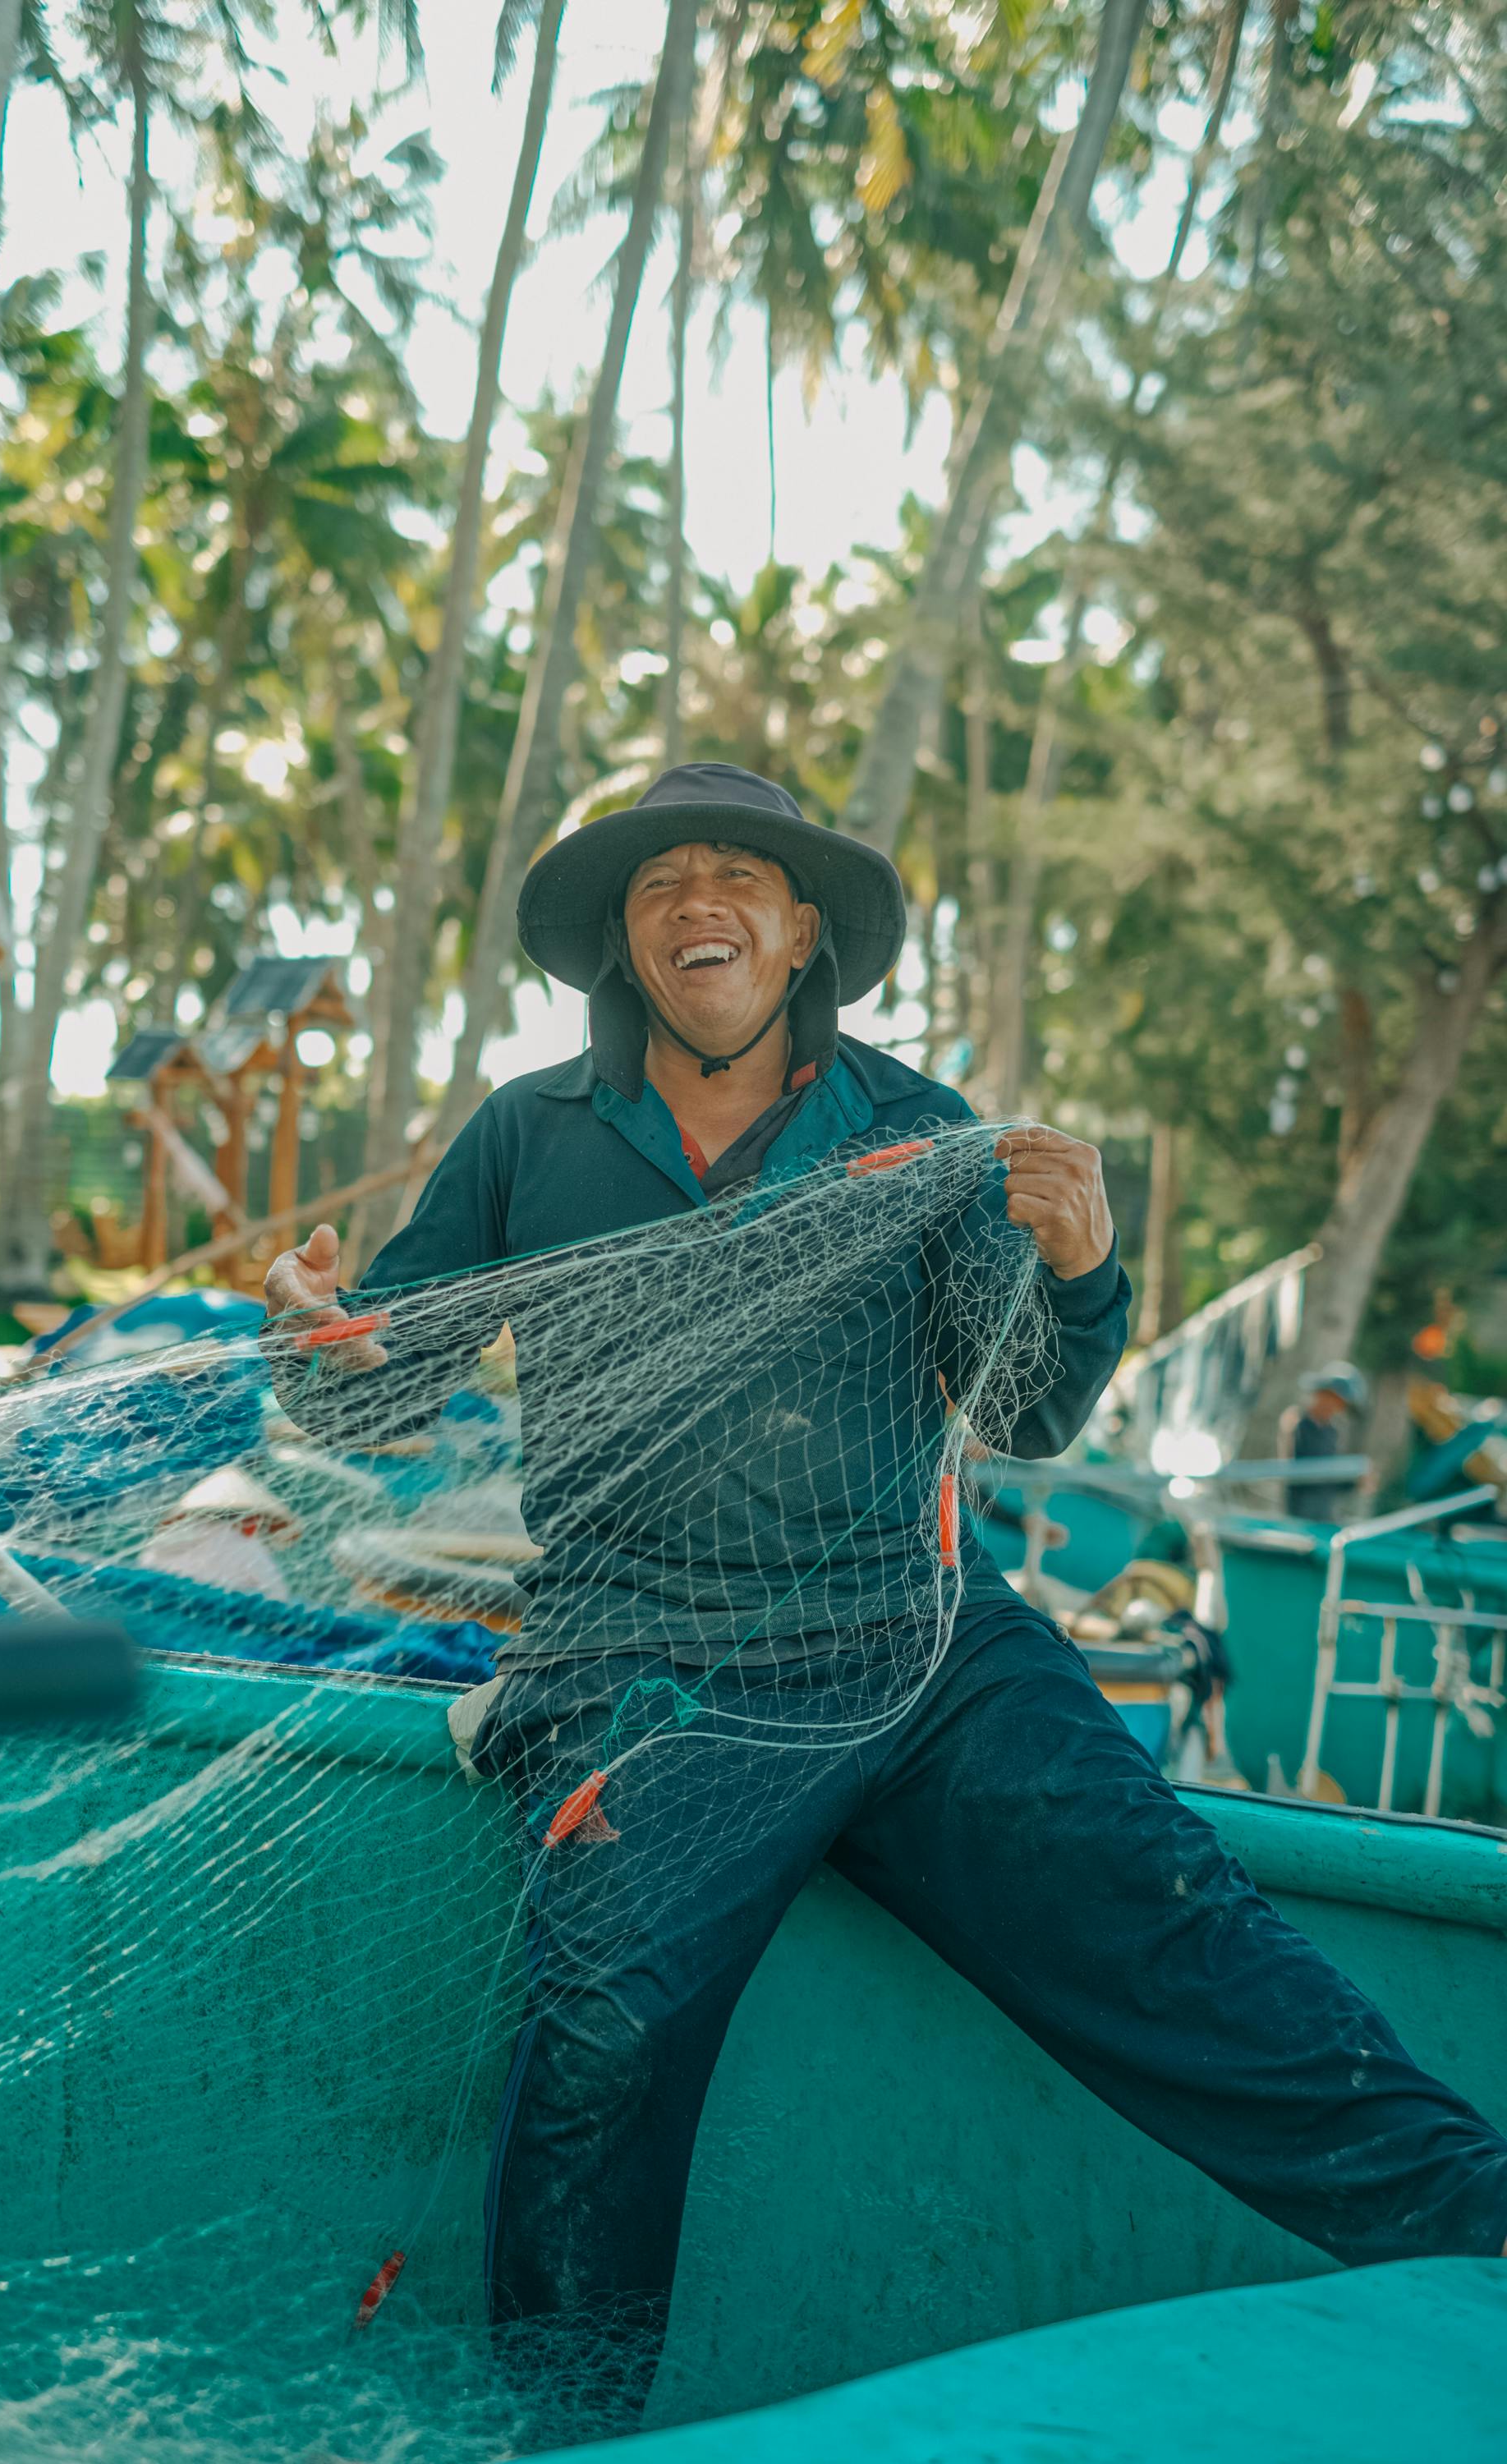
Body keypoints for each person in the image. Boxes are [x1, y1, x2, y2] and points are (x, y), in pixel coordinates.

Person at [264, 763, 1507, 2424]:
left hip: (923, 1653)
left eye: (736, 878)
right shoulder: (525, 1136)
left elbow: (1022, 1417)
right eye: (656, 887)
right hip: (648, 1671)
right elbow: (378, 1387)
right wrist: (315, 1345)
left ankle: (1479, 2238)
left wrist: (1081, 1275)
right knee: (599, 2051)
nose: (695, 904)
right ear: (625, 951)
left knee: (1194, 1951)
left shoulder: (915, 1128)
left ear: (797, 938)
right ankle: (566, 2438)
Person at [1280, 1361, 1368, 1521]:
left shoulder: (1331, 1432)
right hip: (1298, 1512)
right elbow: (1301, 1471)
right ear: (1321, 1394)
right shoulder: (1298, 1422)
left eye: (1340, 1403)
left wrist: (1354, 1482)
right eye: (1331, 1398)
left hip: (1322, 1515)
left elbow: (1329, 1481)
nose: (1334, 1407)